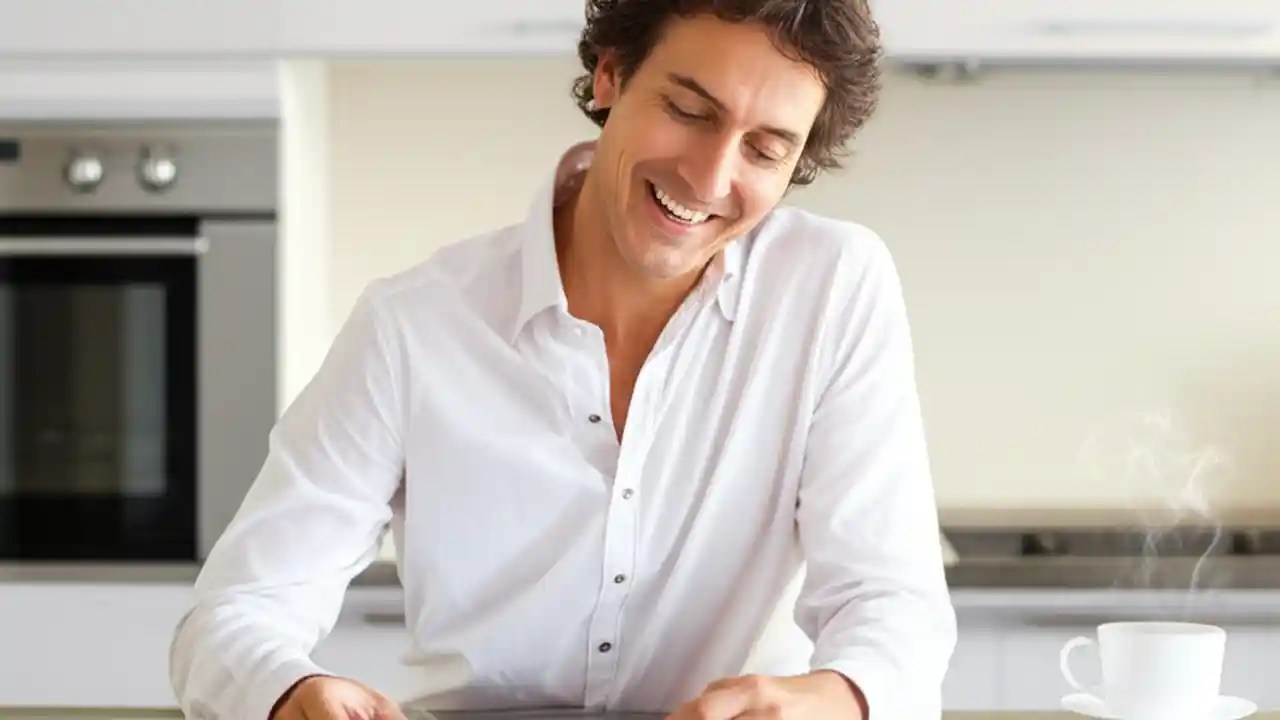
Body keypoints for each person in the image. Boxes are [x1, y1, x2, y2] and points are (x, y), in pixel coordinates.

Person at [169, 1, 957, 718]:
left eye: (764, 149)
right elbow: (234, 615)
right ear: (611, 74)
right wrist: (289, 693)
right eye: (688, 110)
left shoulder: (831, 288)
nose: (710, 177)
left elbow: (894, 607)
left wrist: (838, 699)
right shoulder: (412, 327)